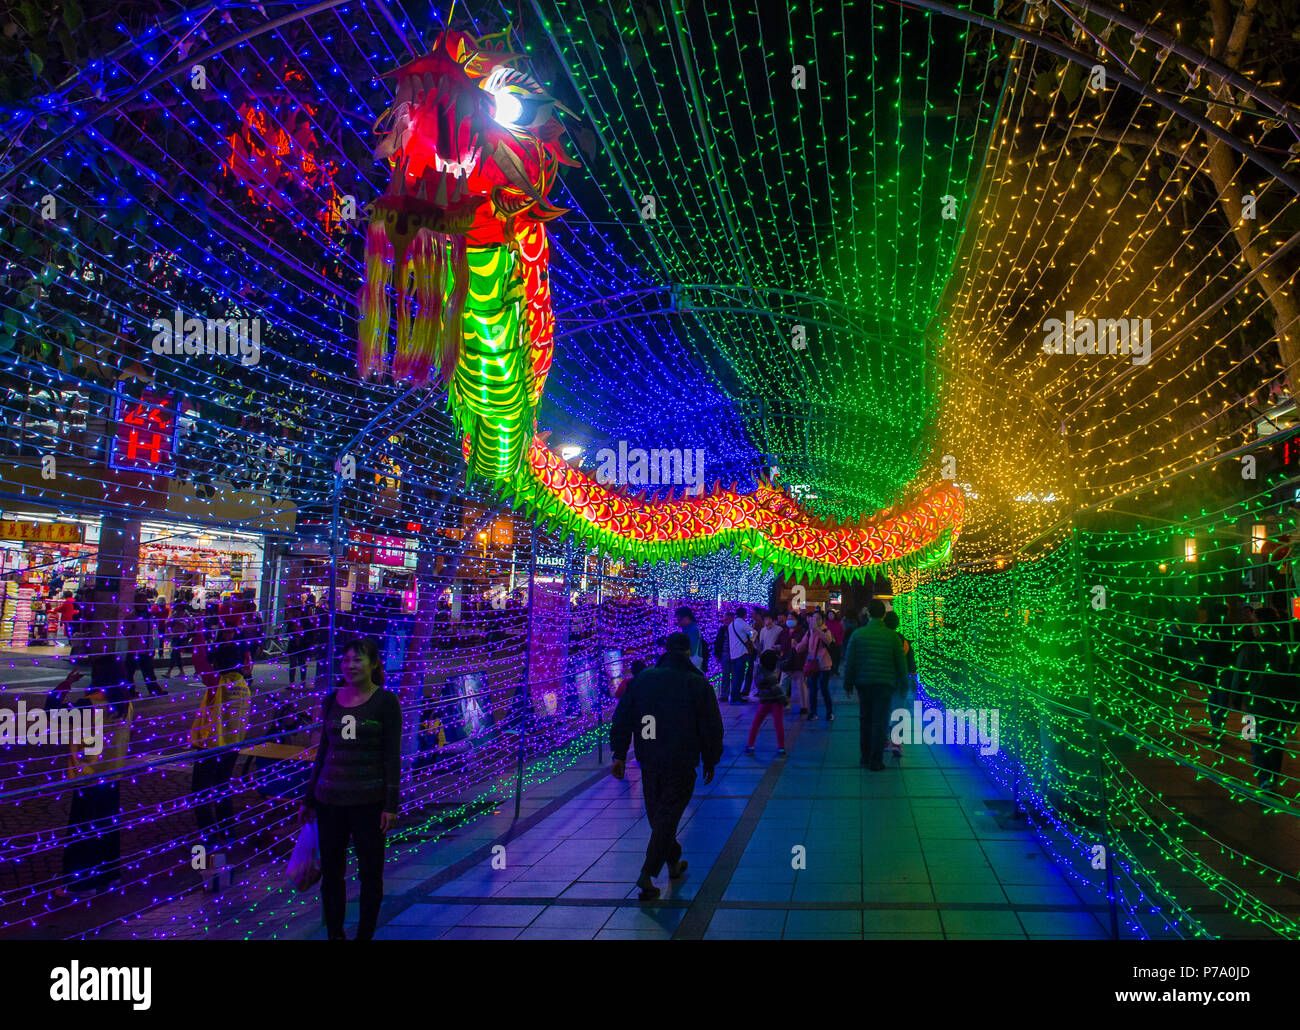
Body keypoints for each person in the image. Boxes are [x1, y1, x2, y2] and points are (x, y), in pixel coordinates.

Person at [298, 636, 401, 941]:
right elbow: (323, 753)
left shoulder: (385, 702)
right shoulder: (331, 700)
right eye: (346, 660)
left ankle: (364, 935)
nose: (350, 666)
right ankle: (335, 935)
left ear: (373, 664)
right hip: (329, 801)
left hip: (369, 802)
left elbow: (391, 756)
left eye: (358, 660)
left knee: (370, 873)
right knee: (332, 875)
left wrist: (390, 804)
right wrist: (309, 798)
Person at [610, 632, 724, 901]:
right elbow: (711, 725)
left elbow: (623, 716)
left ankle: (672, 863)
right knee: (668, 816)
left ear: (665, 650)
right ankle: (647, 874)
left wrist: (619, 753)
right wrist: (710, 758)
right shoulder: (697, 683)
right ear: (687, 652)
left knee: (659, 815)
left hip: (649, 757)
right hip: (681, 759)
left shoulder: (643, 679)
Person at [52, 658, 133, 895]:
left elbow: (50, 709)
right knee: (107, 826)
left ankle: (80, 884)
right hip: (112, 773)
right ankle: (109, 875)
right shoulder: (126, 704)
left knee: (82, 829)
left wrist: (65, 684)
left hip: (87, 775)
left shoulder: (89, 705)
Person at [189, 614, 252, 848]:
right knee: (222, 788)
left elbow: (200, 661)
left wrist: (199, 634)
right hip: (232, 745)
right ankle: (228, 832)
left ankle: (209, 836)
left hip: (211, 745)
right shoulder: (243, 685)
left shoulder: (218, 683)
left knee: (200, 792)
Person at [1233, 608, 1300, 797]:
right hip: (1279, 705)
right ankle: (1271, 779)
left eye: (1254, 622)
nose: (1252, 626)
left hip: (1254, 704)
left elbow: (1240, 675)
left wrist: (1236, 697)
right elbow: (1293, 678)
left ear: (1261, 623)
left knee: (1255, 741)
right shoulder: (1286, 647)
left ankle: (1264, 778)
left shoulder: (1250, 648)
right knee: (1276, 742)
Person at [843, 599, 907, 770]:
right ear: (884, 615)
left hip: (864, 684)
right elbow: (901, 663)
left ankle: (864, 757)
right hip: (885, 685)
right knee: (880, 722)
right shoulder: (892, 636)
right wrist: (904, 684)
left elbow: (850, 661)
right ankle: (876, 761)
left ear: (868, 614)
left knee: (865, 720)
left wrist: (848, 684)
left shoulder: (858, 634)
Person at [882, 610, 918, 757]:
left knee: (883, 711)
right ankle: (897, 743)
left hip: (884, 681)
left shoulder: (881, 639)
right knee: (899, 712)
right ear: (897, 624)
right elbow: (911, 664)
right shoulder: (904, 641)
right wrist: (913, 680)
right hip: (900, 681)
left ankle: (884, 741)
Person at [744, 649, 789, 757]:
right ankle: (781, 747)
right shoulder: (772, 677)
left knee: (756, 723)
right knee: (778, 725)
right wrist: (785, 703)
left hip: (764, 701)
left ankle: (750, 745)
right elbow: (778, 692)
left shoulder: (758, 671)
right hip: (775, 703)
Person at [123, 593, 168, 698]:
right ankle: (129, 691)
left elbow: (151, 632)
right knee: (129, 672)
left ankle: (154, 690)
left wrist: (152, 646)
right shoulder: (131, 617)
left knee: (149, 672)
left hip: (146, 649)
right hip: (134, 649)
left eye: (143, 601)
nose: (142, 603)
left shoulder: (149, 616)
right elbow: (125, 632)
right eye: (139, 601)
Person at [805, 611, 835, 722]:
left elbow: (828, 641)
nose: (815, 621)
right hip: (813, 665)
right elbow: (803, 645)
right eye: (814, 618)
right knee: (812, 690)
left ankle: (830, 713)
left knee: (824, 689)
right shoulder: (809, 632)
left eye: (818, 619)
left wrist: (817, 630)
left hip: (824, 665)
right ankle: (813, 713)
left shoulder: (826, 631)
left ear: (822, 620)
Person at [727, 606, 756, 703]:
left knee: (735, 676)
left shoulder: (731, 625)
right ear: (745, 615)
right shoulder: (743, 624)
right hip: (741, 653)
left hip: (733, 654)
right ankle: (736, 697)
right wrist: (751, 641)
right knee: (739, 677)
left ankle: (734, 696)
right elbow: (754, 632)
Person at [784, 614, 809, 714]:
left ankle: (804, 706)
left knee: (801, 685)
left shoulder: (802, 632)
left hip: (798, 661)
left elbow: (804, 647)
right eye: (788, 619)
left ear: (797, 621)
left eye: (792, 619)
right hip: (786, 662)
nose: (789, 621)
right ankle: (782, 704)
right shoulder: (784, 632)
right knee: (783, 684)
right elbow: (782, 645)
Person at [675, 605, 707, 673]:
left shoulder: (693, 630)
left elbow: (692, 649)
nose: (678, 622)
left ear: (686, 618)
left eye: (679, 620)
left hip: (691, 664)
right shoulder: (687, 629)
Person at [712, 610, 734, 702]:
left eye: (727, 618)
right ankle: (724, 694)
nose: (725, 620)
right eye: (725, 618)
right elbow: (718, 642)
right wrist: (717, 655)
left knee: (734, 675)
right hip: (725, 654)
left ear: (732, 619)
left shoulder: (735, 628)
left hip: (734, 654)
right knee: (725, 675)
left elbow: (751, 633)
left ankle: (733, 694)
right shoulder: (722, 629)